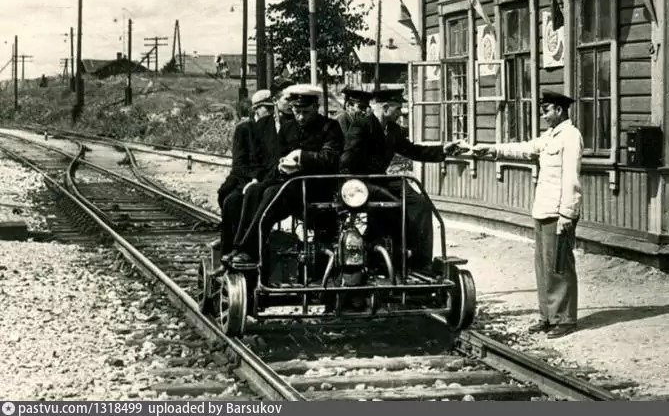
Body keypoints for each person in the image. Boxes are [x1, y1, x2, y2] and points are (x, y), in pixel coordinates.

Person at [469, 90, 584, 339]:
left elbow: (571, 178)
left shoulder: (571, 136)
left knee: (559, 265)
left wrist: (567, 213)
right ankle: (548, 316)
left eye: (546, 111)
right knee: (543, 266)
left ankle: (565, 319)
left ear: (560, 110)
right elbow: (524, 149)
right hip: (543, 209)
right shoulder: (550, 136)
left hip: (558, 211)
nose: (543, 116)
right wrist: (490, 149)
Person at [341, 88, 461, 270]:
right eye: (398, 109)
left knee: (420, 205)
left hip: (381, 180)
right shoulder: (362, 126)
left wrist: (443, 150)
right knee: (391, 206)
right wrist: (349, 184)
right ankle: (378, 250)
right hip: (360, 183)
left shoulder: (393, 130)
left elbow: (412, 151)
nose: (400, 114)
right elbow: (347, 160)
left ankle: (421, 262)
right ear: (386, 108)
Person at [228, 84, 344, 265]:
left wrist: (302, 157)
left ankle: (250, 250)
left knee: (270, 193)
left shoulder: (330, 127)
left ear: (316, 107)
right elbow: (276, 159)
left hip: (316, 186)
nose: (300, 117)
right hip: (290, 184)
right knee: (255, 191)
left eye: (305, 112)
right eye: (297, 111)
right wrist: (281, 168)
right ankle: (239, 246)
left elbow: (330, 158)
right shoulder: (288, 128)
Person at [218, 89, 278, 256]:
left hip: (266, 179)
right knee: (231, 200)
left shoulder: (276, 129)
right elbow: (238, 164)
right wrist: (254, 177)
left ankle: (257, 244)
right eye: (268, 108)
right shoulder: (244, 129)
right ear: (256, 109)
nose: (272, 112)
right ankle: (229, 251)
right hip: (244, 178)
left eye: (273, 109)